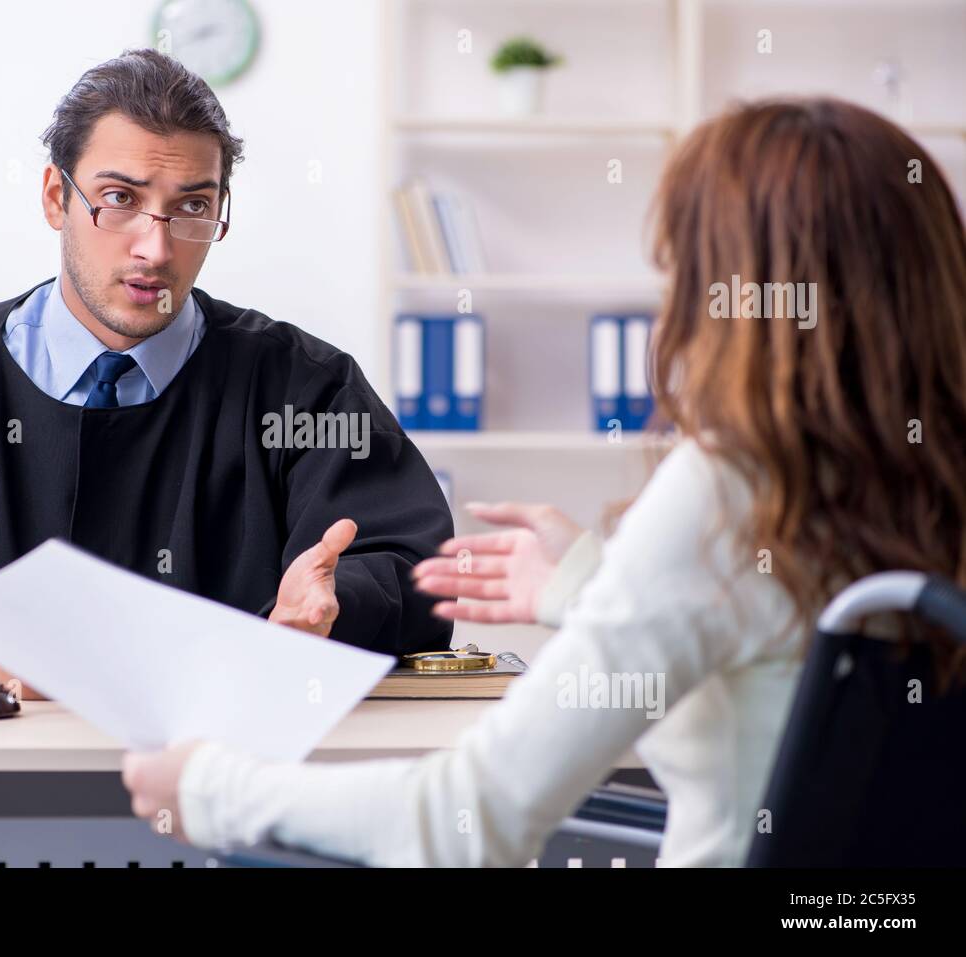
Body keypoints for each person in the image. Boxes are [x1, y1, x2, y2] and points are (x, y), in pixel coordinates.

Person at [123, 97, 966, 866]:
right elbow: (775, 645)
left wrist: (209, 788)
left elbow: (465, 821)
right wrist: (592, 583)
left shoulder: (728, 492)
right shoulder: (918, 478)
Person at [0, 49, 453, 689]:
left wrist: (334, 608)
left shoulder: (307, 391)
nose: (156, 247)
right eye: (120, 199)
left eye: (192, 207)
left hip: (223, 782)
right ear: (57, 198)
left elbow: (412, 569)